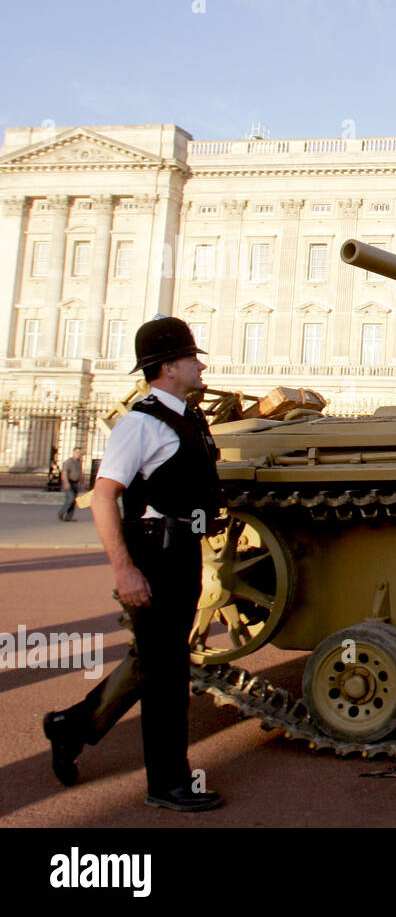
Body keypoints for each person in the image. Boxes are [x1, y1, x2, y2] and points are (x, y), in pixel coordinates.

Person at [43, 316, 224, 811]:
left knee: (156, 663)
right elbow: (104, 497)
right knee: (166, 676)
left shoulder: (187, 417)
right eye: (191, 358)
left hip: (182, 552)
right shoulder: (141, 423)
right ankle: (167, 784)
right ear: (167, 367)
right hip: (155, 554)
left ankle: (70, 727)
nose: (200, 364)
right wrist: (124, 570)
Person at [56, 447, 84, 521]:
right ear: (74, 453)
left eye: (80, 453)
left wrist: (81, 482)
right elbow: (64, 473)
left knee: (73, 500)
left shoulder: (79, 462)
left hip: (75, 483)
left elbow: (79, 473)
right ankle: (61, 512)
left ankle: (68, 517)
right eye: (77, 452)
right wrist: (66, 483)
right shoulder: (69, 462)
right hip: (69, 482)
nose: (79, 454)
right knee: (70, 498)